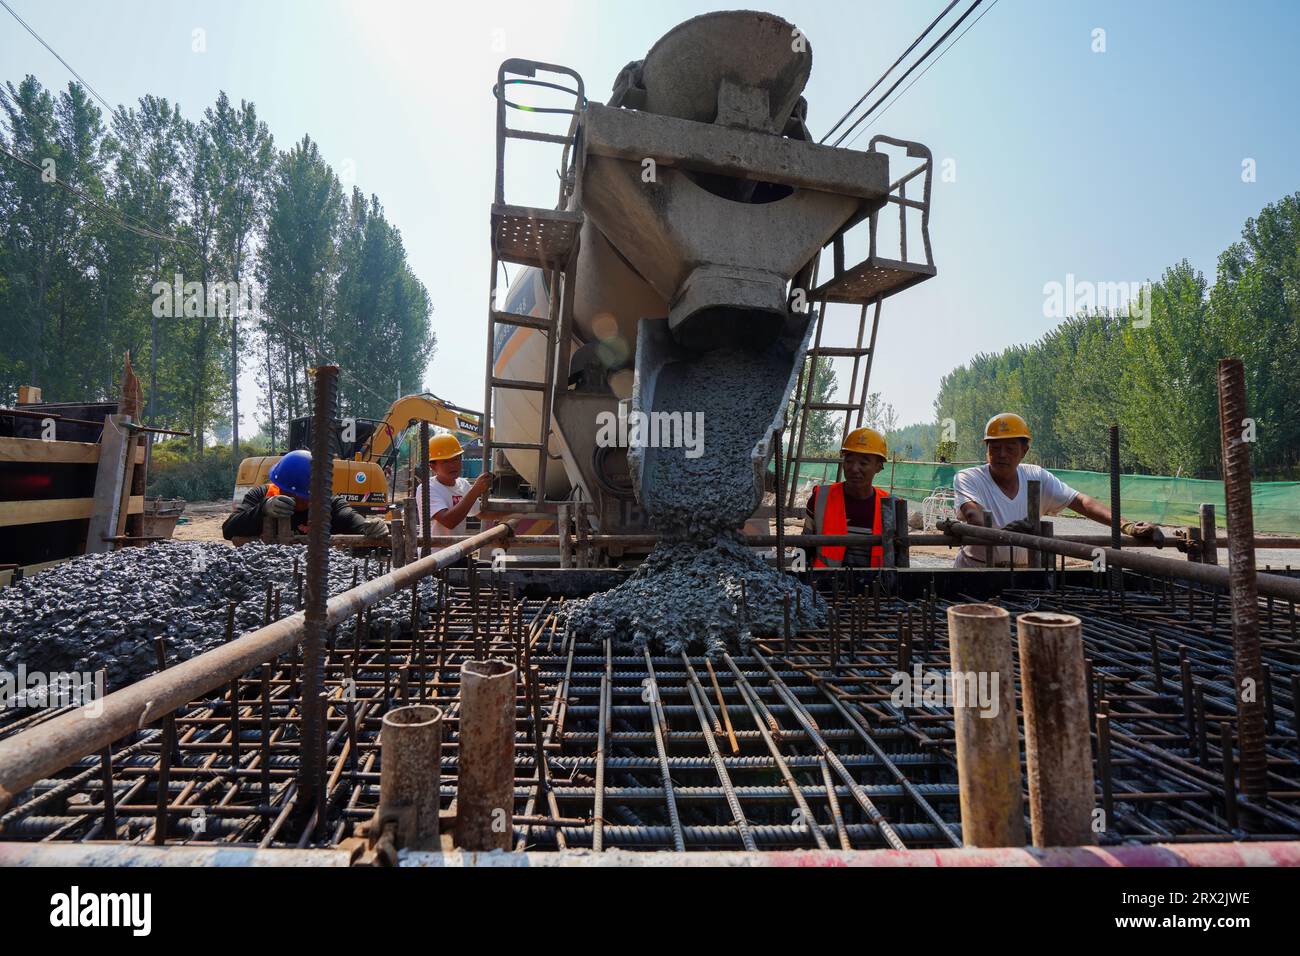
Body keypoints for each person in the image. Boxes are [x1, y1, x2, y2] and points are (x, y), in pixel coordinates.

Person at [952, 413, 1162, 568]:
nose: (1002, 455)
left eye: (1010, 448)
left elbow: (1080, 502)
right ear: (986, 449)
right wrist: (1008, 533)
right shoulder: (969, 478)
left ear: (1024, 451)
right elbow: (974, 515)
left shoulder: (1036, 476)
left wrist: (1125, 525)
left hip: (1028, 574)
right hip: (976, 572)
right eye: (995, 448)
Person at [222, 449, 388, 541]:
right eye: (287, 492)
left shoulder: (330, 505)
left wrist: (369, 526)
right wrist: (263, 509)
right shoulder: (262, 494)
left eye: (302, 497)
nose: (294, 500)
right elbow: (228, 530)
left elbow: (351, 519)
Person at [803, 426, 891, 568]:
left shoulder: (890, 506)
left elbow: (900, 559)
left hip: (874, 587)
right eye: (849, 461)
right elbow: (803, 546)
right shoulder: (820, 498)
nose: (854, 468)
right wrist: (795, 579)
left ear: (879, 467)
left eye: (863, 463)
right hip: (823, 586)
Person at [415, 434, 502, 537]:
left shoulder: (463, 484)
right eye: (446, 461)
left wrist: (514, 515)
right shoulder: (427, 489)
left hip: (457, 549)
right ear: (432, 467)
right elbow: (449, 522)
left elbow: (480, 513)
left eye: (456, 459)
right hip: (436, 552)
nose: (453, 465)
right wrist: (476, 490)